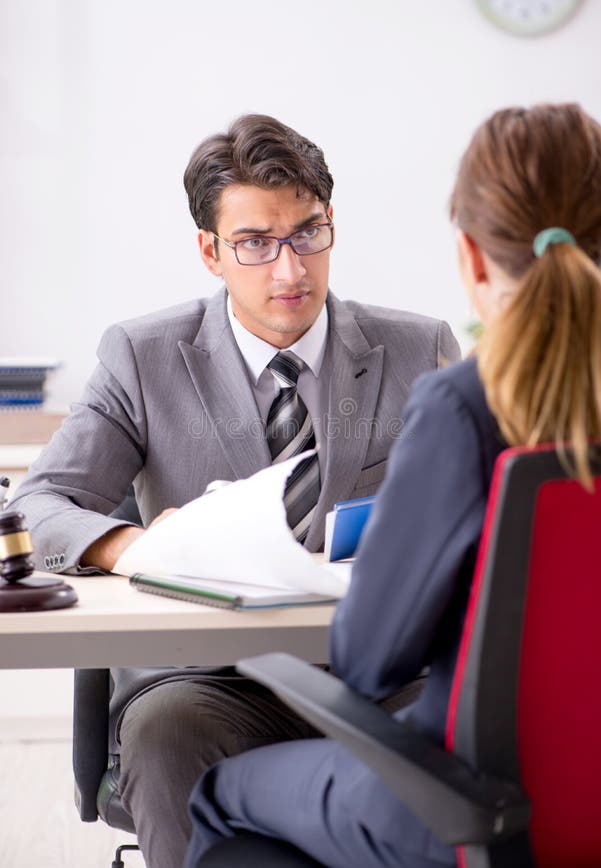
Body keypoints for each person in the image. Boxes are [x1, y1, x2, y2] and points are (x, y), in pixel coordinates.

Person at [12, 113, 459, 868]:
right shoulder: (143, 356)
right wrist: (136, 546)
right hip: (216, 681)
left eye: (306, 234)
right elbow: (33, 507)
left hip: (388, 677)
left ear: (330, 227)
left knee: (494, 728)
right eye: (254, 243)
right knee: (165, 729)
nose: (288, 271)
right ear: (210, 252)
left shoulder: (419, 349)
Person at [184, 101, 601, 868]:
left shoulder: (466, 406)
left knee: (221, 794)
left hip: (475, 806)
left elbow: (369, 662)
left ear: (472, 258)